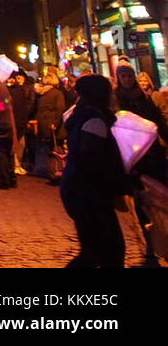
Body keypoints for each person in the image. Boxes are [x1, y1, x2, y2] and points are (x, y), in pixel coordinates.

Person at [60, 74, 128, 269]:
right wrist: (115, 184)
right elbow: (92, 159)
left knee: (100, 251)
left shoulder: (84, 115)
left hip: (82, 191)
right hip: (88, 194)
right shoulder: (94, 120)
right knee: (103, 252)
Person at [114, 62, 168, 266]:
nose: (127, 79)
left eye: (129, 75)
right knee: (141, 203)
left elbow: (158, 122)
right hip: (133, 157)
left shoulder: (144, 97)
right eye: (123, 76)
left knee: (160, 198)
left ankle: (161, 240)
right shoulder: (116, 99)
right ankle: (150, 247)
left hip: (153, 154)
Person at [32, 67, 68, 182]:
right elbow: (60, 109)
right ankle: (58, 168)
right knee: (57, 148)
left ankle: (49, 169)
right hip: (53, 124)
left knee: (47, 148)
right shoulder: (57, 93)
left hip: (43, 123)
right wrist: (56, 123)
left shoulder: (42, 94)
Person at [7, 70, 35, 176]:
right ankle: (15, 165)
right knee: (16, 145)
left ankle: (17, 164)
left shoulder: (20, 90)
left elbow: (24, 105)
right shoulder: (9, 90)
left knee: (21, 145)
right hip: (14, 121)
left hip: (20, 121)